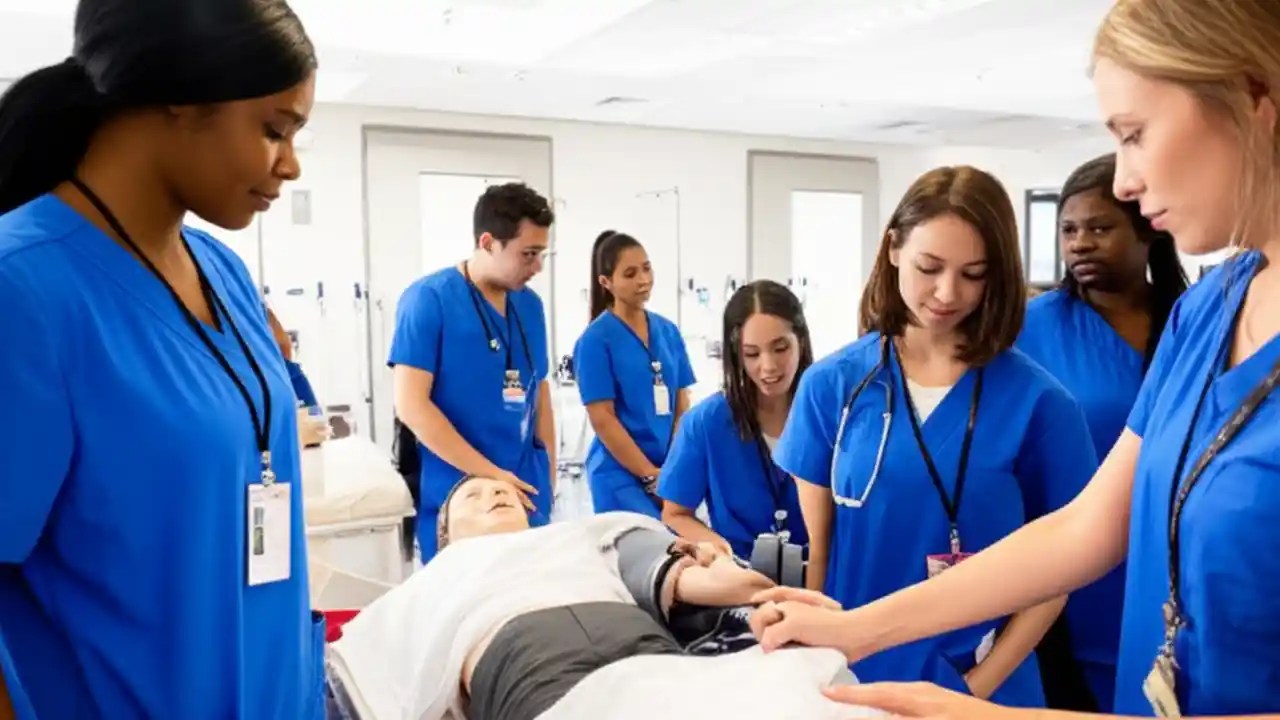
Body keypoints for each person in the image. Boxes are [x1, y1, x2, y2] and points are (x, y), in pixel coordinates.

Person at [749, 2, 1280, 717]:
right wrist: (854, 628)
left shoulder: (1033, 395)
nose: (1122, 181)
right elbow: (1086, 527)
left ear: (1253, 100)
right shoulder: (1206, 314)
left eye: (1135, 134)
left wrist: (989, 706)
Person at [0, 1, 321, 718]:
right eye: (274, 129)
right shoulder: (23, 290)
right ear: (181, 97)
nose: (290, 164)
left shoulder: (223, 272)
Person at [771, 165, 1099, 706]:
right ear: (894, 248)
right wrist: (810, 670)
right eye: (929, 267)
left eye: (973, 274)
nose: (948, 293)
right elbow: (820, 562)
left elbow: (1056, 575)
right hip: (856, 680)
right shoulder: (833, 387)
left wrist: (976, 690)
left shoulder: (1040, 404)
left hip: (986, 687)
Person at [326, 475, 879, 720]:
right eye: (475, 495)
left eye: (503, 491)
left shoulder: (579, 535)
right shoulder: (433, 580)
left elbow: (673, 577)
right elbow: (357, 678)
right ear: (443, 536)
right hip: (537, 669)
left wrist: (746, 582)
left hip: (648, 656)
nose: (495, 493)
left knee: (801, 693)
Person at [1016, 152, 1188, 712]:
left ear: (1148, 232)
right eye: (1069, 230)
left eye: (1099, 227)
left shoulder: (1192, 319)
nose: (1079, 243)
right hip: (1071, 567)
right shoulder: (1029, 329)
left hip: (1175, 560)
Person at [390, 182, 556, 563]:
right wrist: (492, 474)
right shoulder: (429, 300)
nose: (537, 267)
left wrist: (548, 474)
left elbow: (538, 392)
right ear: (487, 242)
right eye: (528, 254)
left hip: (526, 489)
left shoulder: (530, 306)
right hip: (463, 492)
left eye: (542, 254)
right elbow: (411, 405)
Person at [658, 279, 813, 558]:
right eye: (751, 354)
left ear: (800, 340)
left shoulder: (831, 415)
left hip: (824, 579)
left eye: (780, 349)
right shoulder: (705, 424)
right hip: (741, 580)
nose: (768, 366)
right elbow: (675, 513)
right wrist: (718, 548)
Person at [574, 231, 696, 518]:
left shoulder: (668, 331)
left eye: (646, 268)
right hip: (619, 474)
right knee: (649, 548)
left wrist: (673, 468)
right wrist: (649, 475)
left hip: (667, 470)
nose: (643, 279)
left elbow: (682, 401)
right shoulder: (595, 341)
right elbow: (603, 418)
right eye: (630, 274)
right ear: (606, 283)